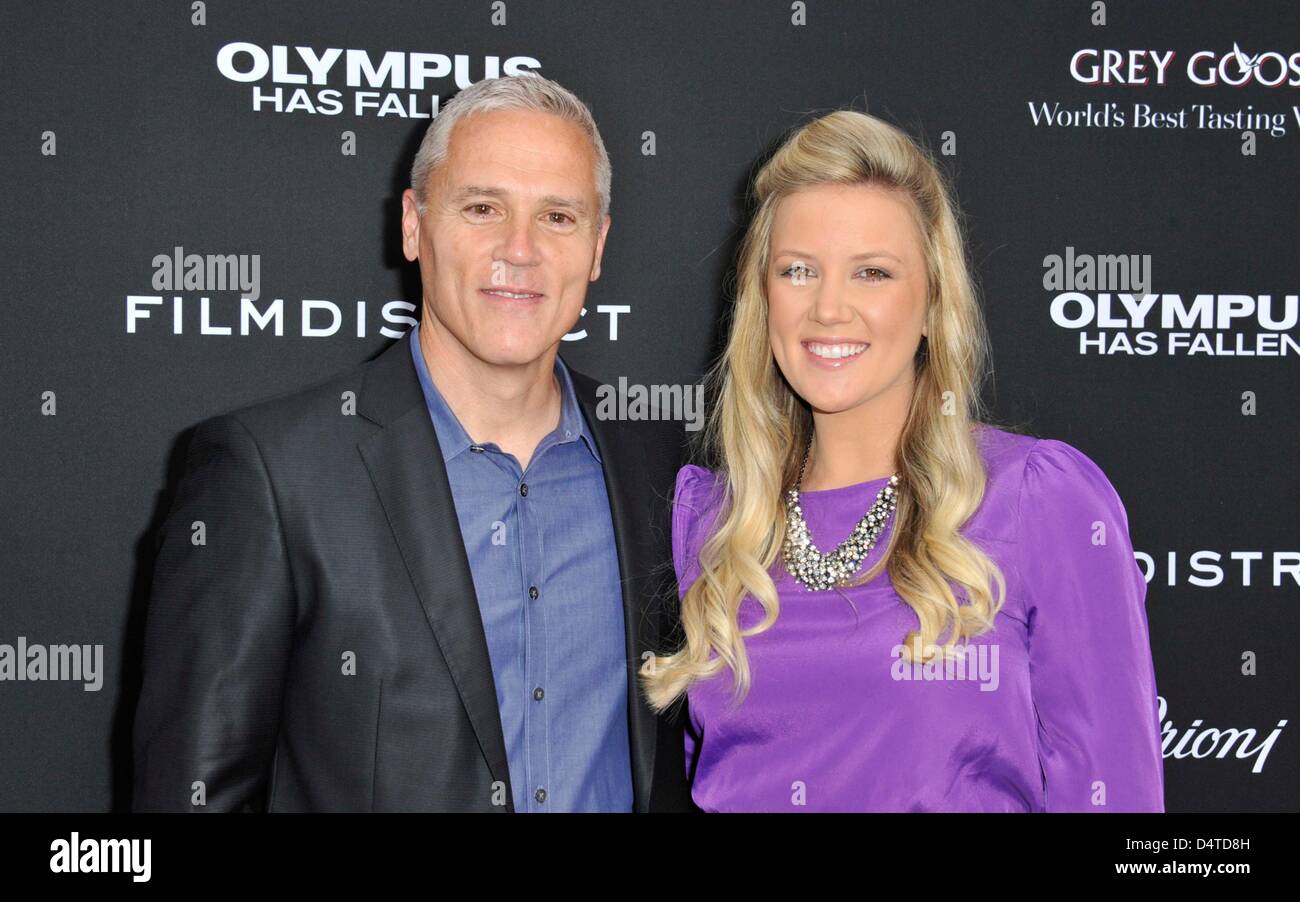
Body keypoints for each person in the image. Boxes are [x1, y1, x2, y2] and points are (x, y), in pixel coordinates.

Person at [133, 74, 695, 812]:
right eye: (482, 207)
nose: (517, 250)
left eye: (558, 216)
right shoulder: (273, 474)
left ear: (597, 246)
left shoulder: (661, 460)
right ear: (413, 224)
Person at [640, 109, 1165, 812]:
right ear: (762, 300)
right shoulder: (709, 520)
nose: (829, 309)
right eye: (798, 270)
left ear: (930, 305)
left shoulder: (1037, 500)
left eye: (872, 273)